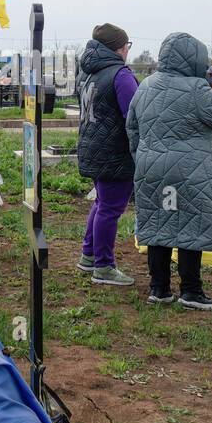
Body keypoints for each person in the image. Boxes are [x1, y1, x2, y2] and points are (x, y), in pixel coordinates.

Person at [127, 32, 212, 310]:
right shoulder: (197, 89)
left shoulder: (145, 86)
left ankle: (159, 288)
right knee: (191, 225)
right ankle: (191, 291)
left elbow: (132, 128)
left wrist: (142, 158)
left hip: (152, 170)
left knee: (159, 223)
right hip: (191, 173)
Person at [76, 23, 139, 286]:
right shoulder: (120, 75)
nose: (127, 51)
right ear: (119, 48)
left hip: (93, 146)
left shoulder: (88, 72)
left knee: (102, 203)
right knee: (110, 208)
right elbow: (134, 116)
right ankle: (103, 266)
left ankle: (89, 255)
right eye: (127, 46)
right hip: (115, 151)